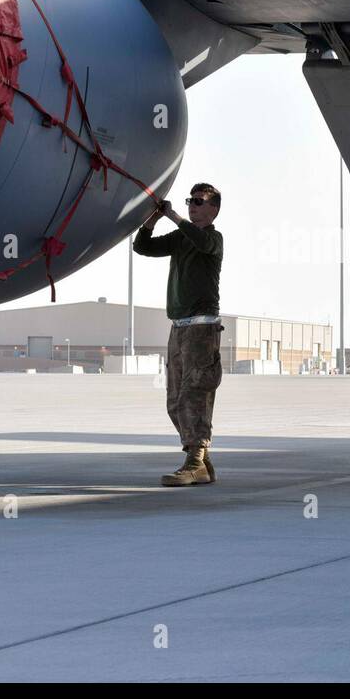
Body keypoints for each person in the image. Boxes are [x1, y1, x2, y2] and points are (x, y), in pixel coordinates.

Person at [132, 183, 224, 486]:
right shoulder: (181, 238)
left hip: (201, 329)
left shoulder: (212, 238)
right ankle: (201, 462)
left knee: (193, 393)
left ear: (214, 209)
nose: (193, 206)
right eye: (190, 201)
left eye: (199, 202)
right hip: (180, 328)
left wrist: (174, 217)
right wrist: (154, 219)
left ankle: (195, 460)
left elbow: (201, 241)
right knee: (174, 400)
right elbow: (142, 247)